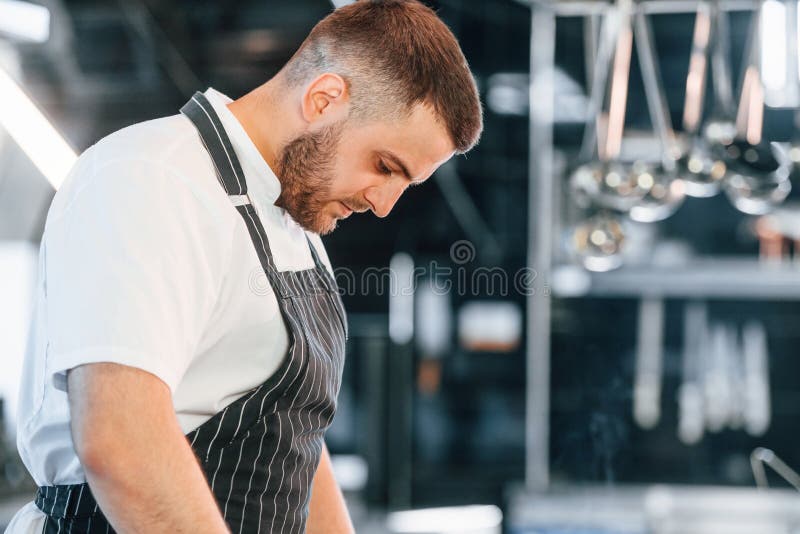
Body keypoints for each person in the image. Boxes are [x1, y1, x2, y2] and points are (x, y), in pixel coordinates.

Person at [5, 0, 482, 532]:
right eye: (384, 166)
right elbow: (121, 443)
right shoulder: (154, 179)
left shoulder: (295, 227)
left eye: (405, 183)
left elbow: (293, 442)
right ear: (324, 99)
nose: (385, 203)